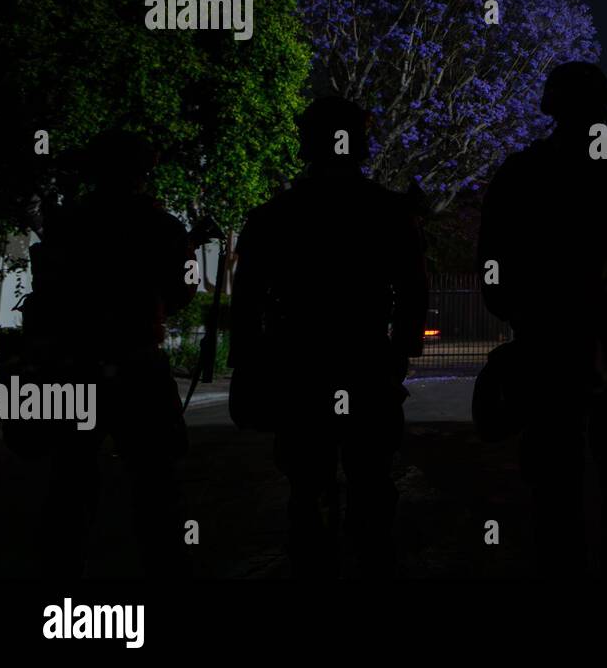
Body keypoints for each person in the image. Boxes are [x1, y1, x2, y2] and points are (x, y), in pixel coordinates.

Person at [478, 61, 607, 576]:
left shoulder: (524, 172)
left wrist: (517, 314)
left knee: (558, 481)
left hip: (553, 341)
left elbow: (493, 261)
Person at [230, 97, 429, 578]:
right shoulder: (386, 211)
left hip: (300, 361)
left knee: (308, 482)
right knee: (370, 479)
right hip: (363, 356)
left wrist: (250, 359)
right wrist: (400, 348)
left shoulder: (274, 215)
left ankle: (316, 558)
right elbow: (412, 287)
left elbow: (248, 298)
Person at [32, 130, 195, 578]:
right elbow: (181, 290)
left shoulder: (70, 221)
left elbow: (47, 291)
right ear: (142, 172)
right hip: (137, 360)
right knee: (157, 482)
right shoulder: (160, 225)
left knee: (70, 479)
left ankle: (60, 568)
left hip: (76, 363)